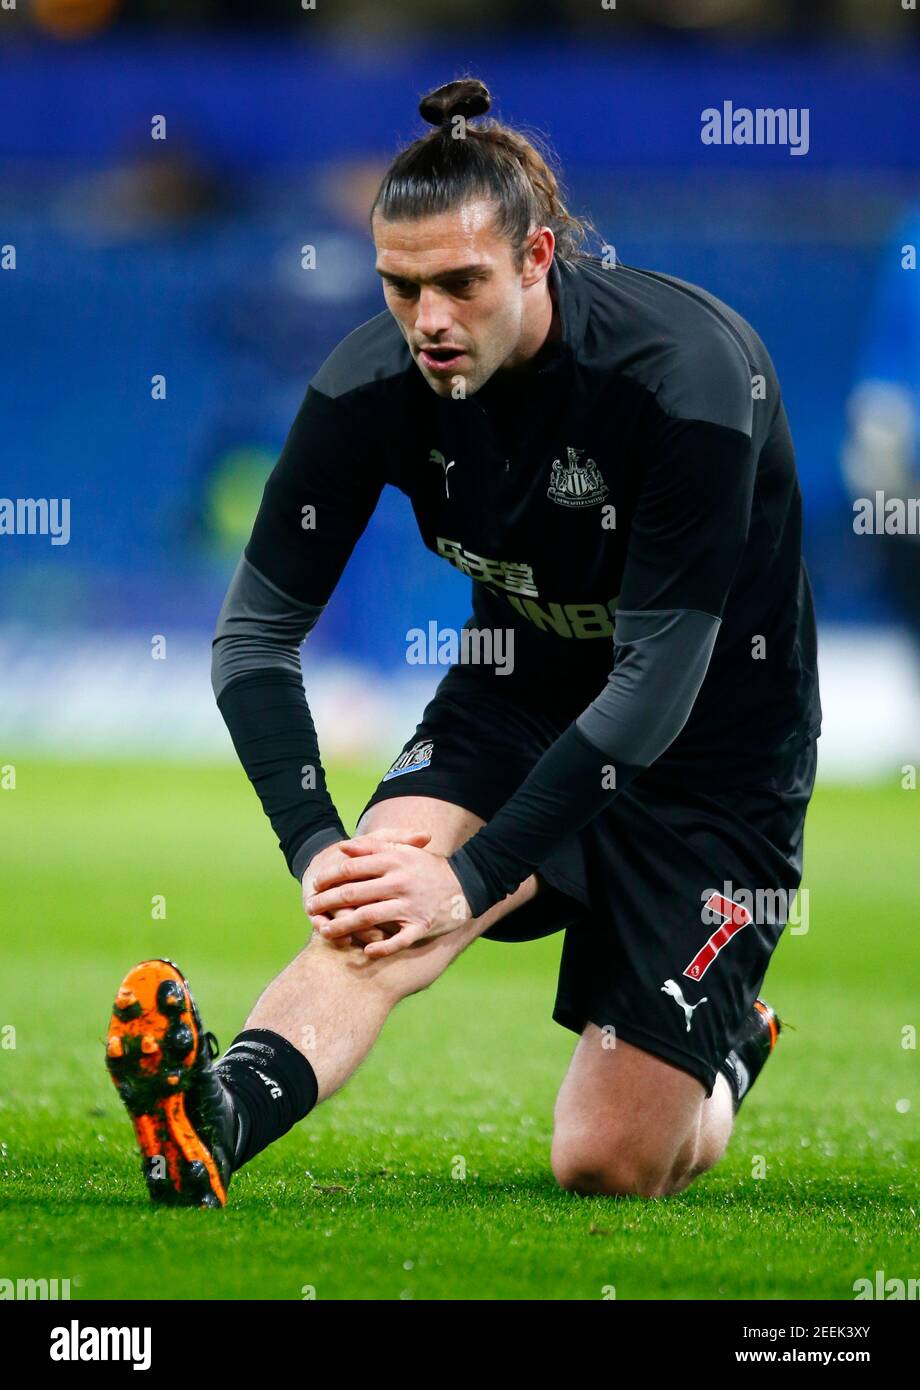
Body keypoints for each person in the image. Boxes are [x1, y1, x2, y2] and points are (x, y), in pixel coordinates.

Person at [105, 77, 821, 1208]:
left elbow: (656, 681)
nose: (429, 318)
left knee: (607, 1163)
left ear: (537, 257)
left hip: (705, 755)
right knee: (381, 901)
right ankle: (215, 1119)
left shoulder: (684, 376)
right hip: (518, 698)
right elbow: (250, 640)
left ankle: (725, 1053)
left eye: (459, 283)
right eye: (401, 286)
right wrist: (316, 849)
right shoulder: (371, 385)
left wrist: (471, 881)